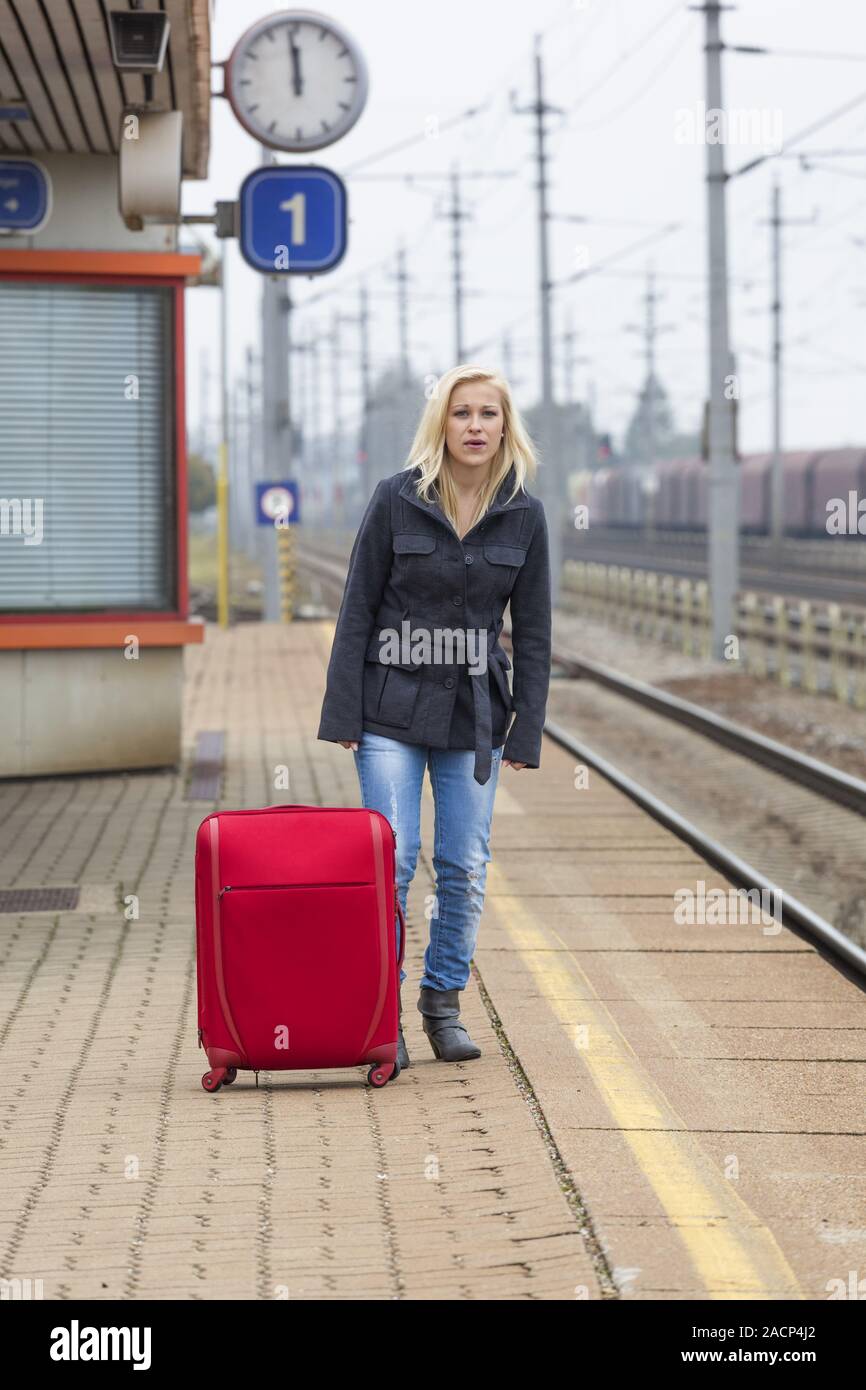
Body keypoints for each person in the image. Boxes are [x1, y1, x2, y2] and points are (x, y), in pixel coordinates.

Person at [317, 364, 552, 1068]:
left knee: (464, 864)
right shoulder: (397, 499)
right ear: (440, 425)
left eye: (488, 414)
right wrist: (345, 714)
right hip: (390, 708)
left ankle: (442, 1003)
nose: (475, 426)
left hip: (473, 719)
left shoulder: (525, 513)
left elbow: (535, 632)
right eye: (462, 414)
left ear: (505, 426)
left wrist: (528, 730)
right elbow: (357, 607)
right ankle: (379, 1013)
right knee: (388, 863)